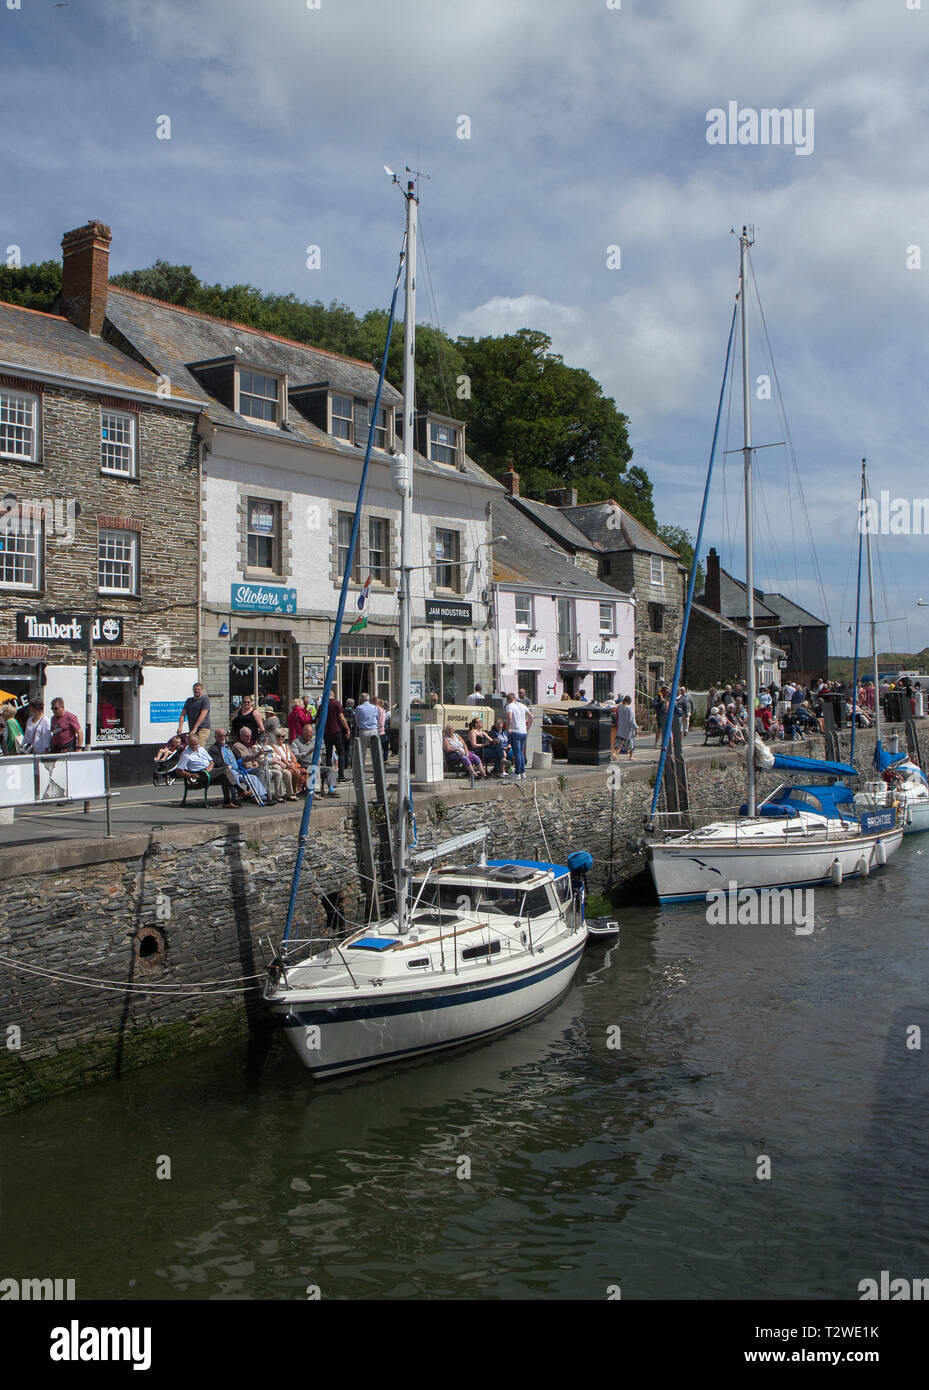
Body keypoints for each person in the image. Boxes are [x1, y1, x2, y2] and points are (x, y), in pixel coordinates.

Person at [177, 731, 238, 806]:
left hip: (209, 771)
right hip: (199, 774)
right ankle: (239, 790)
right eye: (192, 745)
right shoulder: (185, 754)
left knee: (224, 776)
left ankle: (227, 802)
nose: (195, 747)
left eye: (196, 744)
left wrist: (209, 767)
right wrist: (190, 775)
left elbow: (211, 761)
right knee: (225, 769)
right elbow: (179, 770)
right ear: (188, 743)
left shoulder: (202, 749)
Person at [207, 730, 247, 806]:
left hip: (238, 770)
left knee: (253, 777)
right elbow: (217, 762)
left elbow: (239, 757)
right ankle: (235, 796)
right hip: (226, 771)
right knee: (231, 773)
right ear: (215, 737)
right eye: (221, 736)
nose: (223, 737)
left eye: (224, 735)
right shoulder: (213, 748)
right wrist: (228, 767)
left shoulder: (229, 746)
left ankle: (260, 796)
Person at [323, 695, 351, 782]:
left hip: (326, 732)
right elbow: (341, 717)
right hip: (337, 731)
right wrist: (347, 728)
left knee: (329, 754)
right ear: (333, 695)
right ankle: (341, 776)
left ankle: (328, 776)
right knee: (341, 753)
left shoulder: (323, 704)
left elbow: (318, 720)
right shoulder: (336, 703)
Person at [505, 691, 532, 779]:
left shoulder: (510, 706)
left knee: (517, 753)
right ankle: (523, 772)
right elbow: (531, 716)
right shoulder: (522, 705)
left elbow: (509, 717)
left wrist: (507, 728)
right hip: (523, 732)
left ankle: (517, 773)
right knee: (521, 752)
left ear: (508, 699)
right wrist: (527, 728)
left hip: (515, 732)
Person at [177, 682, 211, 746]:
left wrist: (194, 729)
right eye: (195, 689)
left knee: (198, 747)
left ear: (201, 690)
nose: (196, 691)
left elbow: (203, 715)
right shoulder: (189, 701)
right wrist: (180, 727)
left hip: (203, 729)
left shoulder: (205, 700)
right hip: (192, 730)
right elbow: (182, 715)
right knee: (191, 747)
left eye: (198, 689)